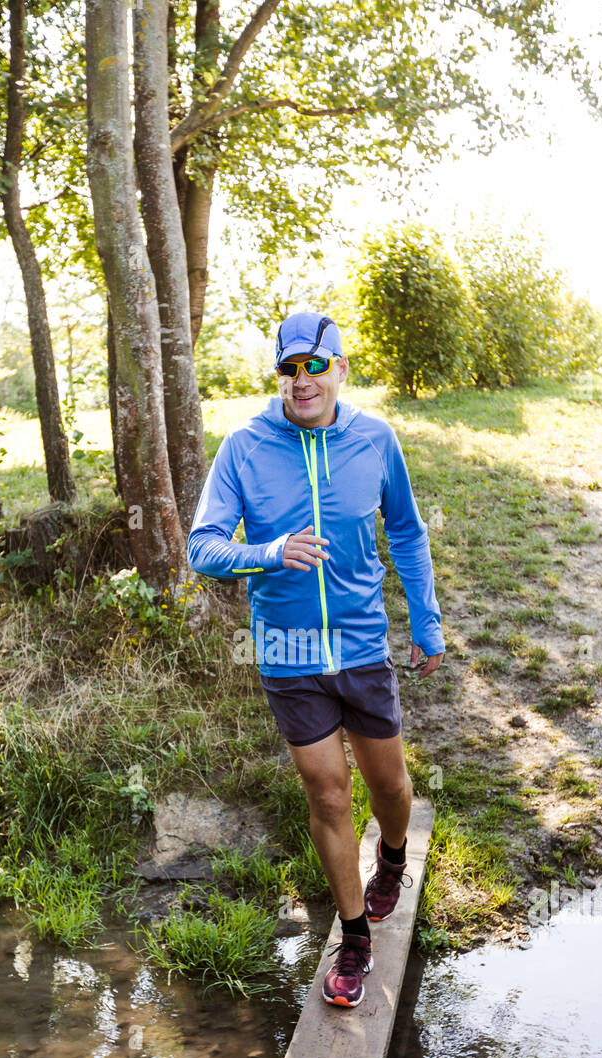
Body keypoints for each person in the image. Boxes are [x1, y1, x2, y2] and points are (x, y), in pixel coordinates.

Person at [187, 311, 444, 1008]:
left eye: (316, 366)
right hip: (288, 652)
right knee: (328, 794)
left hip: (361, 646)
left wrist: (426, 621)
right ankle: (354, 937)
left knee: (391, 790)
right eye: (290, 369)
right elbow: (202, 547)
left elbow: (408, 533)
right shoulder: (243, 448)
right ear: (279, 376)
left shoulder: (374, 440)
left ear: (340, 369)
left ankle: (391, 858)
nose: (303, 381)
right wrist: (270, 552)